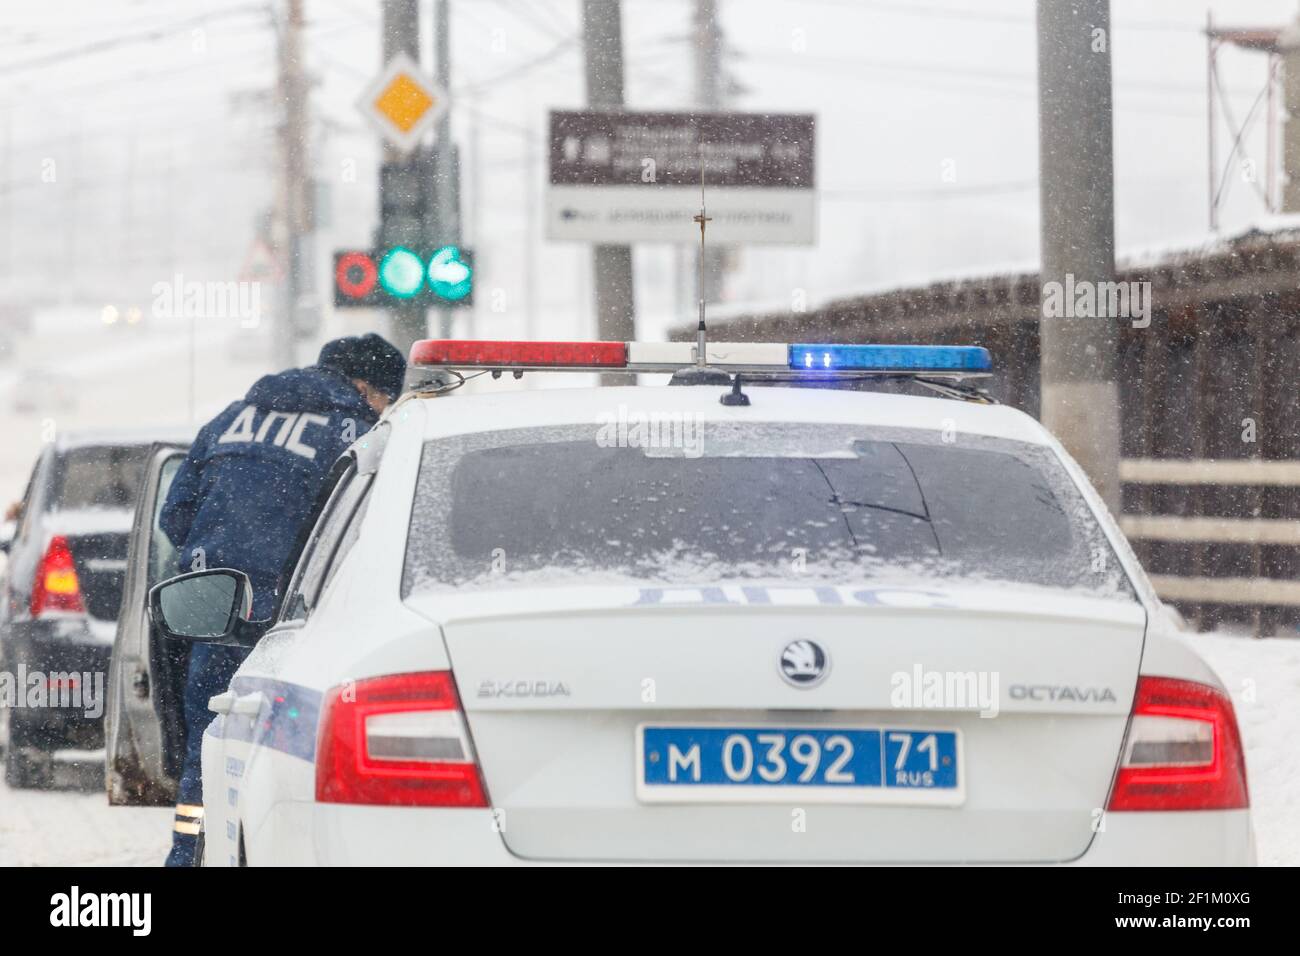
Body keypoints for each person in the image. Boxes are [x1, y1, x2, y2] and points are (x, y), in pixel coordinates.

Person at [159, 333, 405, 867]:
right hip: (297, 631)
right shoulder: (357, 432)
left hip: (216, 616)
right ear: (366, 388)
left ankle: (189, 856)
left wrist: (222, 564)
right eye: (388, 397)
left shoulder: (230, 418)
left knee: (208, 751)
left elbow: (174, 516)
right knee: (284, 763)